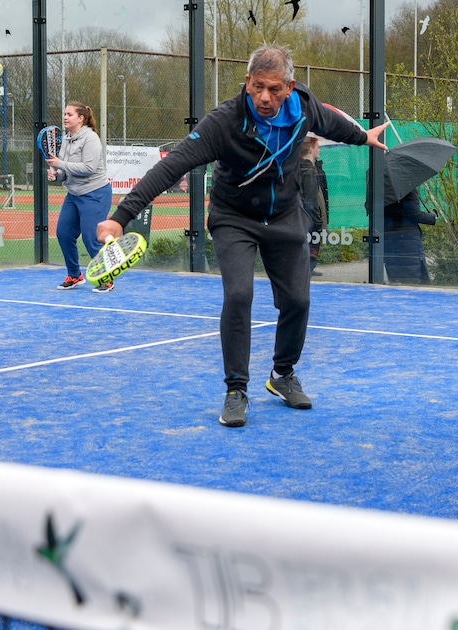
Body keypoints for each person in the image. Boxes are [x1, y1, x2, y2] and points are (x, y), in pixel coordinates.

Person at [95, 44, 388, 428]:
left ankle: (282, 375)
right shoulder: (223, 122)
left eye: (274, 89)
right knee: (238, 294)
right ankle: (236, 389)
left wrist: (362, 136)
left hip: (283, 215)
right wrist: (121, 217)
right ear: (247, 82)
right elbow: (173, 167)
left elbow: (332, 121)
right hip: (233, 216)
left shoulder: (303, 107)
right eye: (257, 87)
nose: (265, 97)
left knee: (298, 300)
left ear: (289, 86)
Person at [47, 102, 115, 292]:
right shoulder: (66, 140)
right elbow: (65, 171)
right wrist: (57, 175)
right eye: (64, 114)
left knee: (91, 238)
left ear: (81, 118)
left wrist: (60, 163)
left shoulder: (91, 139)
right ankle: (75, 275)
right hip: (74, 194)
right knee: (63, 233)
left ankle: (107, 278)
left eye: (69, 114)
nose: (65, 117)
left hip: (95, 193)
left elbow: (88, 168)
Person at [383, 190, 435, 283]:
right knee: (413, 282)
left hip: (389, 238)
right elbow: (413, 213)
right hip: (408, 242)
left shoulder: (380, 185)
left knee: (395, 281)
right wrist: (432, 218)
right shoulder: (407, 186)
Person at [298, 134, 329, 277]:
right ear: (310, 149)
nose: (320, 150)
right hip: (308, 220)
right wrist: (318, 223)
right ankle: (307, 267)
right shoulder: (307, 171)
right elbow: (310, 200)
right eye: (317, 147)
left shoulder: (299, 168)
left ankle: (306, 267)